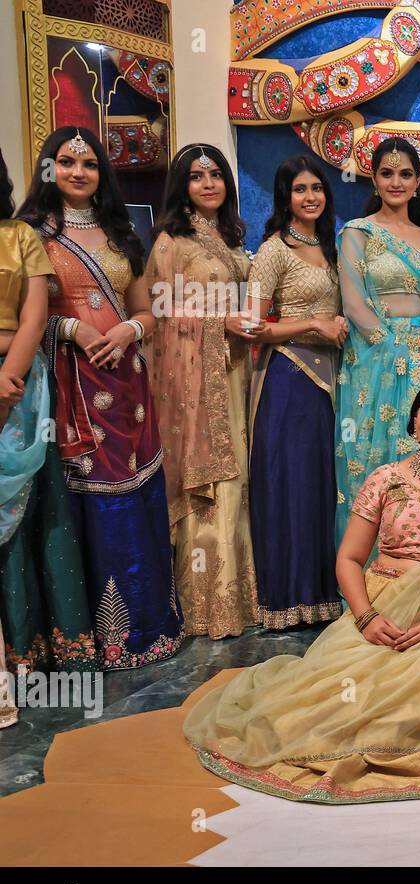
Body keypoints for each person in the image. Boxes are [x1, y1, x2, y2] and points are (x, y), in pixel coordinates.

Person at [184, 374, 420, 803]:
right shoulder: (386, 479)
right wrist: (365, 618)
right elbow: (348, 559)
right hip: (378, 609)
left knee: (404, 708)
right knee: (323, 702)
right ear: (414, 415)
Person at [19, 127, 180, 667]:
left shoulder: (121, 230)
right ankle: (100, 638)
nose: (78, 172)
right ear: (50, 169)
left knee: (139, 494)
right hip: (71, 387)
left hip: (128, 383)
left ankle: (151, 627)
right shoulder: (32, 235)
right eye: (66, 163)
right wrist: (73, 332)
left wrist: (129, 332)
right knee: (87, 503)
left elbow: (145, 310)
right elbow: (21, 318)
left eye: (88, 164)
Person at [145, 143, 258, 641]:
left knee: (241, 476)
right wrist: (222, 320)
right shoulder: (172, 240)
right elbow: (162, 315)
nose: (209, 183)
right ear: (182, 186)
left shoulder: (233, 239)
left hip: (236, 371)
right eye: (197, 176)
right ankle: (206, 604)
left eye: (216, 175)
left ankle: (242, 599)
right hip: (195, 381)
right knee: (213, 481)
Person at [0, 142, 94, 689]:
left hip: (24, 384)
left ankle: (37, 653)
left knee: (35, 507)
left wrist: (9, 377)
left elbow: (37, 311)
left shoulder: (19, 236)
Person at [245, 155, 346, 628]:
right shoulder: (273, 250)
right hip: (289, 378)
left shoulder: (332, 246)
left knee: (323, 487)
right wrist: (312, 324)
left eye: (317, 189)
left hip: (331, 382)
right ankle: (287, 598)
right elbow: (250, 325)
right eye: (300, 189)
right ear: (285, 196)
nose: (310, 197)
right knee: (291, 486)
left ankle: (324, 595)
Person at [335, 137, 420, 542]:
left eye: (405, 174)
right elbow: (353, 304)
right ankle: (367, 574)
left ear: (418, 182)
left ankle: (417, 565)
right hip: (373, 359)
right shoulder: (357, 233)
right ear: (374, 181)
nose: (395, 182)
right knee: (372, 461)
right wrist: (395, 352)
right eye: (386, 174)